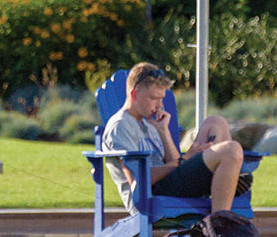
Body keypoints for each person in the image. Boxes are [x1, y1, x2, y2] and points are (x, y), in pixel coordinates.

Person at [101, 63, 246, 214]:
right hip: (149, 194)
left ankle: (225, 175)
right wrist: (185, 160)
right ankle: (219, 224)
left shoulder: (150, 123)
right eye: (154, 98)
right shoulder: (120, 126)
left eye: (162, 98)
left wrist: (163, 131)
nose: (159, 105)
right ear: (134, 94)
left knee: (216, 122)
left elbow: (174, 161)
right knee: (231, 150)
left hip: (171, 182)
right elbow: (138, 180)